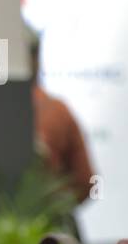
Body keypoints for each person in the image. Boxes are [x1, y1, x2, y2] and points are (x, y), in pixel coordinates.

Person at [28, 30, 95, 204]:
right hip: (49, 224)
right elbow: (86, 182)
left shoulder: (55, 110)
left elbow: (86, 182)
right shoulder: (56, 109)